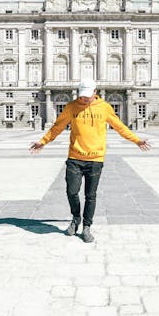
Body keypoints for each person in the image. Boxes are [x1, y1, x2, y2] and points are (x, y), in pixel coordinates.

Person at [29, 78, 151, 243]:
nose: (84, 99)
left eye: (88, 95)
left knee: (90, 195)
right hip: (75, 158)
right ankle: (76, 218)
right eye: (82, 95)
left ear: (95, 92)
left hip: (95, 159)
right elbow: (57, 127)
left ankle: (86, 227)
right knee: (71, 191)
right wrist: (42, 142)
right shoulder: (71, 107)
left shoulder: (105, 108)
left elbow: (120, 127)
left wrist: (137, 140)